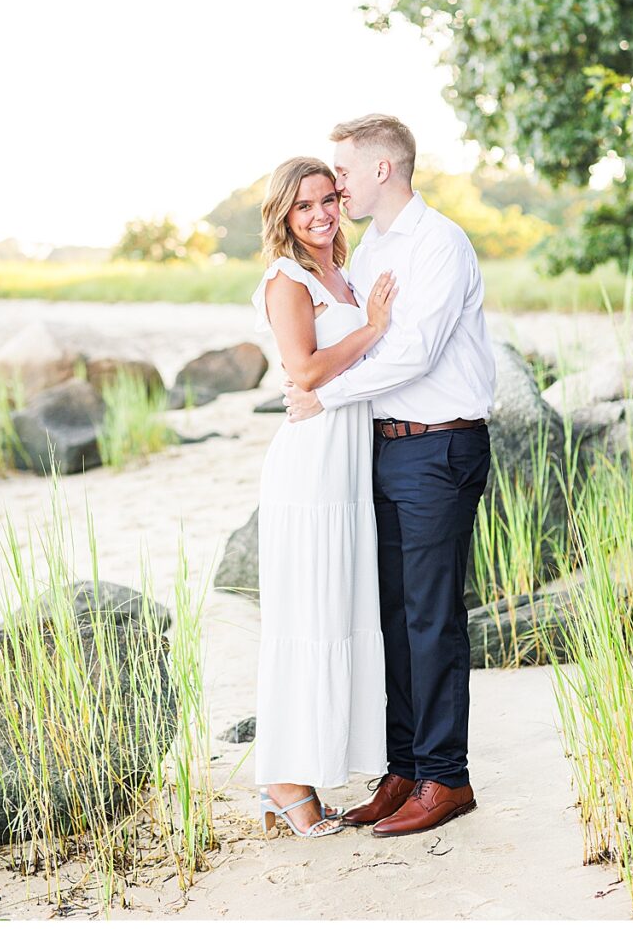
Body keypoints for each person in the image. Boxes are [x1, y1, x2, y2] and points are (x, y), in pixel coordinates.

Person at [284, 113, 496, 838]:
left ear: (383, 169)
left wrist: (321, 395)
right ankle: (404, 767)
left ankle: (447, 777)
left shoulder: (439, 243)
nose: (335, 186)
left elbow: (414, 355)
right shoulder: (368, 250)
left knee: (433, 618)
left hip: (440, 447)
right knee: (395, 619)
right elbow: (360, 344)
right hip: (385, 447)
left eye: (342, 172)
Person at [253, 156, 398, 837]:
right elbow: (304, 370)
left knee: (336, 614)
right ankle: (284, 779)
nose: (319, 215)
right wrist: (371, 329)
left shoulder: (341, 272)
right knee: (307, 618)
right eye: (304, 206)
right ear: (284, 215)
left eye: (328, 201)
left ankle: (309, 768)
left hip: (345, 468)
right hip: (310, 469)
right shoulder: (286, 278)